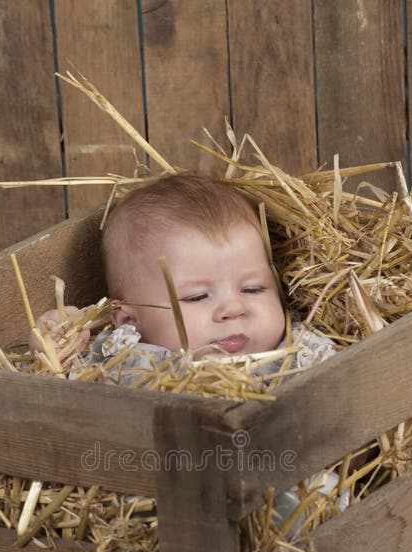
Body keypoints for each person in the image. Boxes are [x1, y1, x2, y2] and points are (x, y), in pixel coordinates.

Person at [31, 173, 348, 533]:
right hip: (164, 501)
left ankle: (275, 523)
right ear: (129, 320)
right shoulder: (128, 358)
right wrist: (57, 343)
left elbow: (345, 406)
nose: (232, 309)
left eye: (253, 288)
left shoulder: (297, 353)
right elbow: (67, 392)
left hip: (274, 485)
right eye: (197, 297)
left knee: (309, 492)